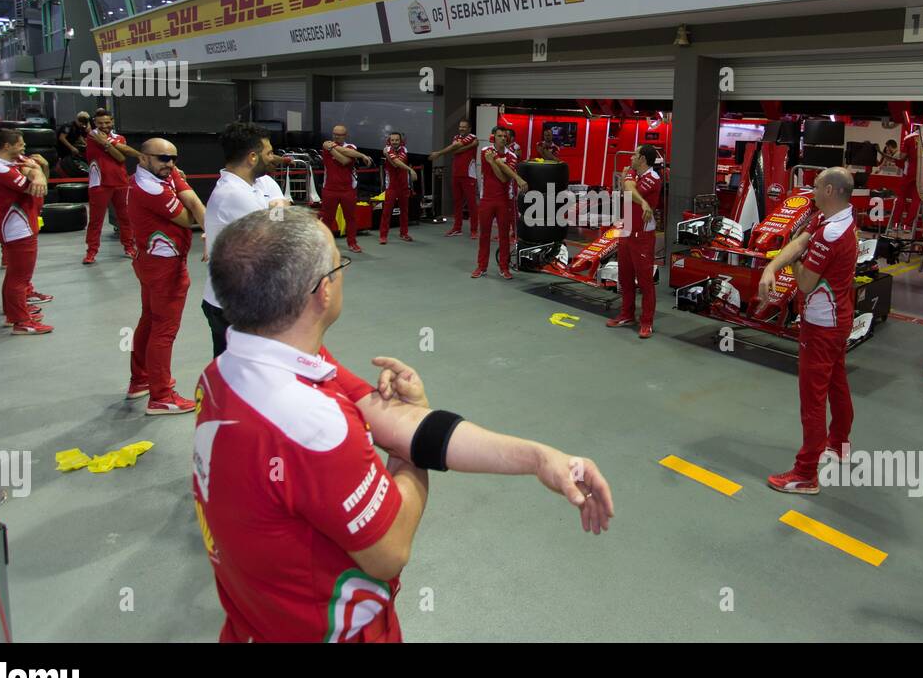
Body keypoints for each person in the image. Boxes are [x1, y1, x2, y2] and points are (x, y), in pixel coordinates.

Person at [195, 207, 614, 642]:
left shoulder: (231, 369)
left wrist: (539, 458)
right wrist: (404, 458)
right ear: (322, 291)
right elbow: (390, 551)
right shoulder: (310, 424)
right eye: (339, 265)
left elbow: (404, 423)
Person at [760, 167, 858, 495]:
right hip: (836, 319)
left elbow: (804, 281)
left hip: (822, 326)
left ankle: (805, 474)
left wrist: (792, 261)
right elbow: (800, 240)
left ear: (830, 190)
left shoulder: (832, 233)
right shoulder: (836, 216)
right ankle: (840, 444)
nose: (811, 190)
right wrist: (773, 265)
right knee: (836, 382)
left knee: (812, 400)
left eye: (816, 186)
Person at [127, 138, 206, 415]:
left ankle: (141, 380)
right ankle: (161, 396)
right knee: (163, 329)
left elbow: (193, 200)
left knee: (150, 321)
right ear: (144, 158)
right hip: (164, 265)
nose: (170, 164)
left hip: (151, 261)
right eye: (162, 158)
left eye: (173, 158)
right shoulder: (151, 188)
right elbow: (188, 216)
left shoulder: (160, 176)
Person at [201, 123, 290, 357]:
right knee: (234, 376)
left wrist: (278, 209)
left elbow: (282, 206)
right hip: (231, 306)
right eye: (268, 152)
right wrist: (279, 211)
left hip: (250, 298)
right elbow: (279, 237)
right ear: (252, 157)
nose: (273, 158)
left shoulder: (261, 182)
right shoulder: (233, 194)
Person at [0, 129, 52, 334]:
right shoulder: (0, 170)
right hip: (18, 228)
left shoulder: (8, 163)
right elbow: (38, 187)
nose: (23, 147)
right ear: (7, 146)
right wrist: (38, 172)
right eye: (20, 143)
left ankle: (13, 312)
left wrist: (37, 171)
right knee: (19, 278)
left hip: (19, 225)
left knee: (14, 275)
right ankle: (21, 322)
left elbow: (34, 170)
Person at [606, 144, 663, 339]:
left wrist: (629, 183)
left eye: (635, 155)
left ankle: (647, 321)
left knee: (645, 281)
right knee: (625, 277)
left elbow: (629, 190)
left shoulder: (653, 178)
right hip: (626, 231)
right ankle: (627, 315)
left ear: (643, 159)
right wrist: (642, 200)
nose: (631, 157)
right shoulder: (634, 172)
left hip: (643, 236)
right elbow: (627, 186)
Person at [83, 109, 141, 264]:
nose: (104, 126)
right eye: (100, 123)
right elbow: (123, 153)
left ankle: (129, 247)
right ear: (95, 123)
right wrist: (113, 147)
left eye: (107, 122)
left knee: (126, 217)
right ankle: (91, 251)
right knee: (96, 220)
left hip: (121, 181)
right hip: (99, 183)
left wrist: (107, 143)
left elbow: (122, 157)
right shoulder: (92, 135)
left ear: (112, 122)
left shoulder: (119, 137)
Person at [473, 127, 527, 279]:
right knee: (484, 235)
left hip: (505, 200)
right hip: (487, 199)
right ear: (494, 137)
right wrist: (517, 177)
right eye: (499, 136)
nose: (503, 138)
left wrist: (492, 162)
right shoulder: (485, 150)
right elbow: (501, 173)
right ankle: (481, 267)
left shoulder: (512, 156)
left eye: (505, 136)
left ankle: (504, 267)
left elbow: (503, 179)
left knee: (504, 236)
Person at [320, 125, 373, 253]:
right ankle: (325, 244)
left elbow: (345, 159)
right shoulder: (325, 146)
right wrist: (361, 156)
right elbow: (343, 158)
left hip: (348, 190)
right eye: (334, 134)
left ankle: (352, 243)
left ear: (345, 136)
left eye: (339, 134)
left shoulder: (350, 147)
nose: (336, 136)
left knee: (350, 218)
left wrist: (332, 147)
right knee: (327, 218)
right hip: (329, 189)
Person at [429, 119, 478, 237]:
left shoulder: (472, 136)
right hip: (456, 174)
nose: (461, 128)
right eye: (460, 126)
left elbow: (456, 148)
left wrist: (439, 153)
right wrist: (471, 146)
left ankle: (474, 230)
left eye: (464, 127)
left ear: (469, 128)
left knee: (472, 203)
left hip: (469, 175)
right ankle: (457, 228)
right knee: (457, 202)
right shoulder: (457, 137)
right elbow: (455, 150)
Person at [379, 131, 417, 244]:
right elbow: (395, 164)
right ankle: (383, 236)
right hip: (391, 186)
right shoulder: (387, 149)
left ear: (401, 141)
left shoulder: (404, 150)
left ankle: (404, 233)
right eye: (392, 140)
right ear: (389, 141)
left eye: (397, 140)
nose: (395, 142)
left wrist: (387, 155)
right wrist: (410, 169)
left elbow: (398, 162)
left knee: (404, 211)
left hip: (404, 185)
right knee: (386, 211)